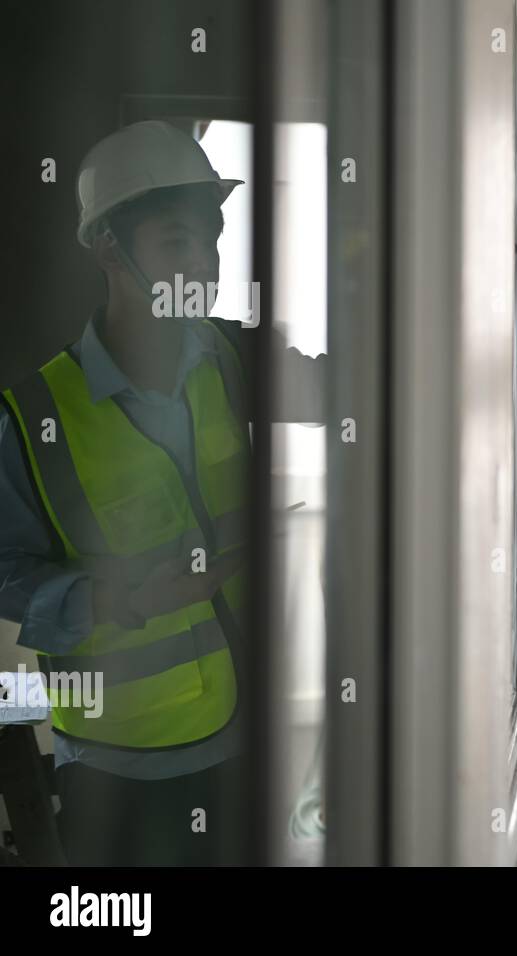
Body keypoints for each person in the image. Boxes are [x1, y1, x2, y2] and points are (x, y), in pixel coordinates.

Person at [0, 120, 325, 865]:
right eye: (177, 245)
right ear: (109, 248)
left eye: (209, 244)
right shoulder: (35, 417)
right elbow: (4, 571)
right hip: (122, 768)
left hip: (241, 736)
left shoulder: (231, 353)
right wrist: (125, 598)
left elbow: (343, 382)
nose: (204, 266)